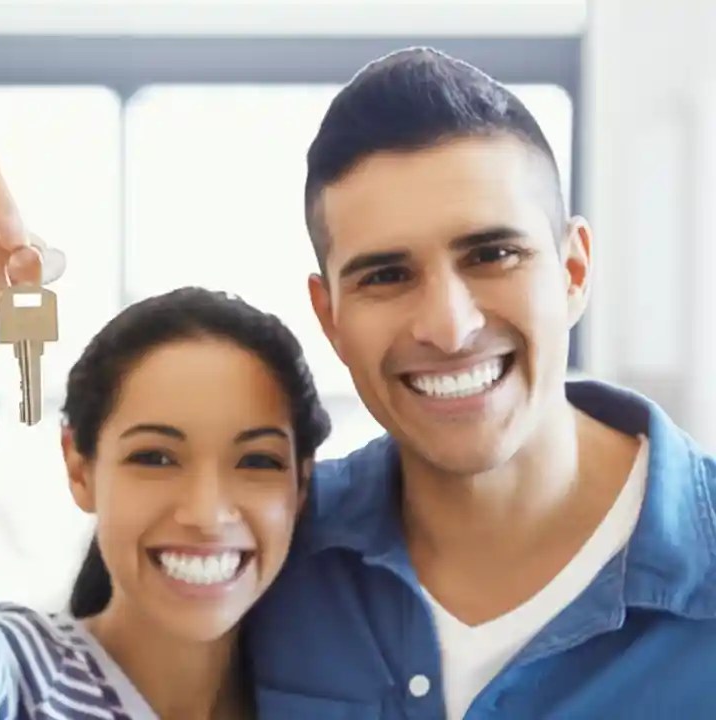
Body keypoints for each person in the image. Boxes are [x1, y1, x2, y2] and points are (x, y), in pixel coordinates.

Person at [242, 47, 716, 718]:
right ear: (331, 317)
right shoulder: (266, 550)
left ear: (573, 272)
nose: (449, 326)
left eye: (493, 255)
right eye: (386, 275)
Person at [0, 128, 331, 717]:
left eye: (257, 461)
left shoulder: (344, 692)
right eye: (156, 457)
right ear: (79, 465)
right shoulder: (28, 687)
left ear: (301, 485)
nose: (205, 513)